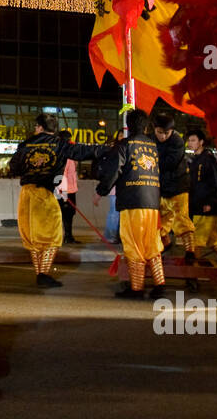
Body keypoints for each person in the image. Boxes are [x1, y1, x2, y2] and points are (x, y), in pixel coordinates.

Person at [10, 114, 106, 287]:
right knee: (53, 236)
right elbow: (84, 152)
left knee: (32, 237)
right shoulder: (60, 144)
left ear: (39, 127)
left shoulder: (25, 145)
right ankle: (44, 274)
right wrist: (109, 148)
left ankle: (40, 272)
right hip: (45, 194)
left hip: (26, 195)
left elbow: (13, 167)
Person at [95, 109, 163, 298]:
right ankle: (159, 285)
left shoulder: (124, 145)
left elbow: (113, 171)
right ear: (146, 126)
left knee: (133, 244)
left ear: (128, 125)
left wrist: (101, 191)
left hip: (132, 201)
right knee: (151, 243)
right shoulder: (153, 146)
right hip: (152, 202)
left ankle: (137, 288)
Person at [186, 131, 217, 271]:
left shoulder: (208, 159)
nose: (190, 143)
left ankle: (194, 271)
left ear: (201, 142)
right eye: (189, 140)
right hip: (199, 205)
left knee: (197, 240)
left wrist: (210, 203)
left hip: (206, 207)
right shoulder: (195, 159)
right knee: (213, 239)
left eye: (193, 140)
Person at [154, 114, 195, 263]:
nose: (163, 136)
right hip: (162, 188)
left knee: (181, 219)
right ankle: (166, 246)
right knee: (161, 222)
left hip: (178, 187)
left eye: (166, 132)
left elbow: (169, 163)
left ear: (172, 130)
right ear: (154, 129)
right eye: (159, 132)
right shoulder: (151, 140)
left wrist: (153, 160)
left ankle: (190, 252)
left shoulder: (177, 141)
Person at [56, 130, 81, 244]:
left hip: (70, 188)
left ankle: (68, 236)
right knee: (63, 213)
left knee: (69, 213)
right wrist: (62, 190)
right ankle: (64, 236)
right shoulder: (62, 154)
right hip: (63, 189)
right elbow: (62, 174)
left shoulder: (71, 153)